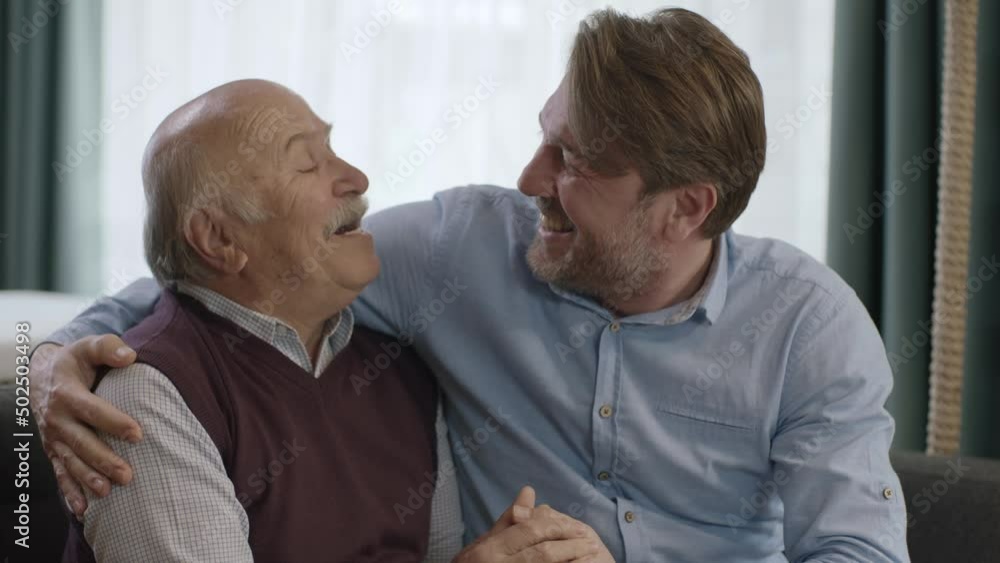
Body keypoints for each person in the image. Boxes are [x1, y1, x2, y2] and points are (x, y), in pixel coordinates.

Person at [31, 7, 909, 562]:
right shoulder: (460, 250)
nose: (530, 178)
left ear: (684, 209)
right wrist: (52, 361)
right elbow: (213, 288)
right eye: (544, 136)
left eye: (573, 163)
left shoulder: (808, 328)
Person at [53, 79, 607, 563]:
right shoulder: (146, 397)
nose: (357, 178)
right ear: (219, 239)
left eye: (334, 149)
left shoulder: (401, 371)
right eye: (307, 164)